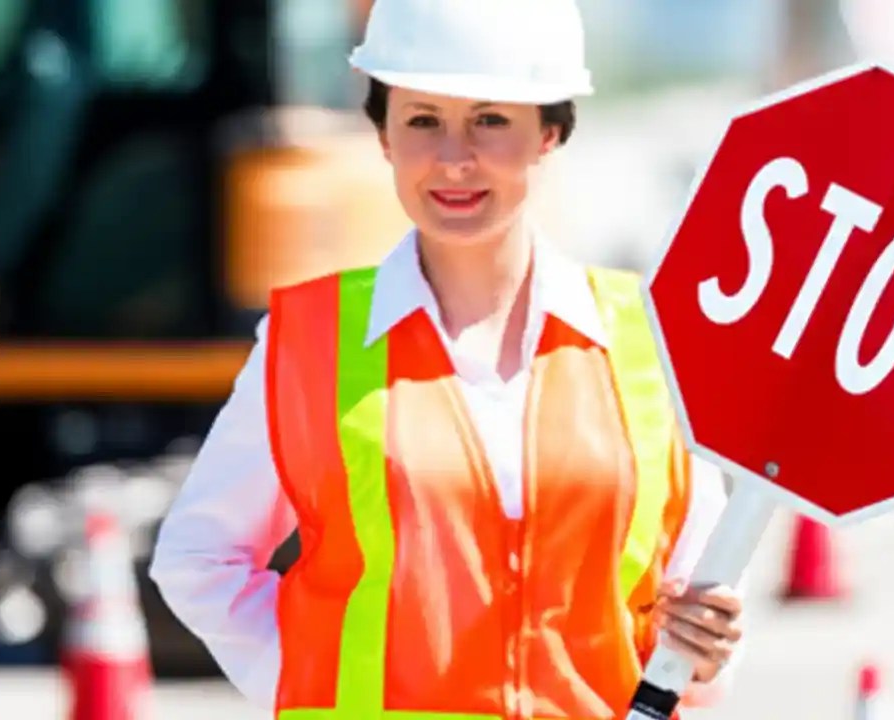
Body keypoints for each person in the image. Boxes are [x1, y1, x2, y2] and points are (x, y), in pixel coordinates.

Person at [149, 0, 749, 716]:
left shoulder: (648, 345)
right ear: (384, 136)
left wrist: (708, 644)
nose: (453, 158)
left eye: (490, 121)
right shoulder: (310, 342)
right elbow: (197, 560)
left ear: (550, 133)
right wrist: (316, 680)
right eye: (422, 120)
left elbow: (701, 623)